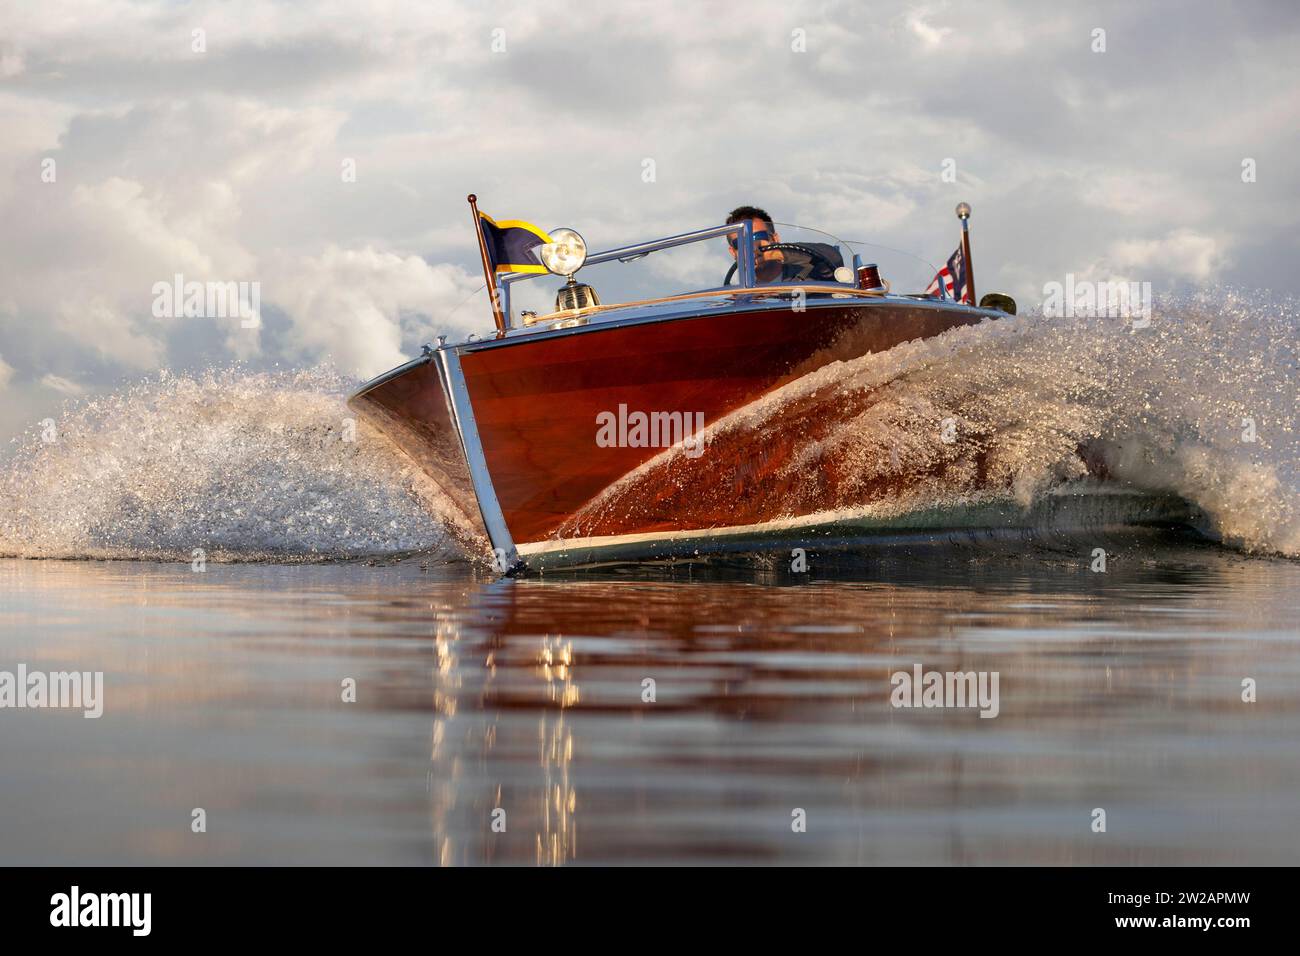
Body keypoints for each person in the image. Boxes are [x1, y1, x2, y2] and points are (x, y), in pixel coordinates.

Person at [724, 205, 843, 284]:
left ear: (775, 239)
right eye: (740, 243)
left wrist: (776, 253)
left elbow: (833, 258)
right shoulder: (738, 297)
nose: (751, 247)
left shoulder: (810, 270)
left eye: (758, 237)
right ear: (733, 252)